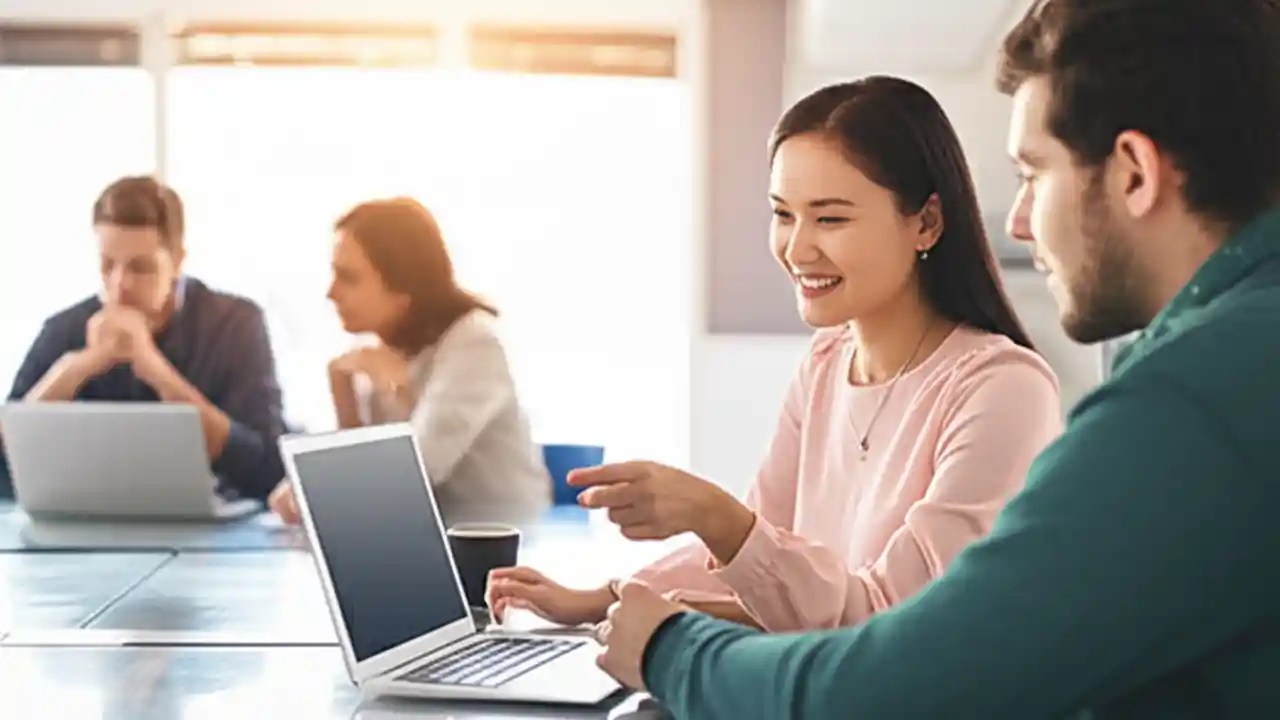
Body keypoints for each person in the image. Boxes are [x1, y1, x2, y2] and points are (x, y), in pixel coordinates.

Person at [595, 1, 1280, 717]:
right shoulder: (1231, 358)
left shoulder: (1189, 402)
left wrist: (670, 647)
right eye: (784, 213)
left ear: (1135, 173)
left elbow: (891, 689)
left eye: (1033, 174)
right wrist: (620, 601)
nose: (1017, 221)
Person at [488, 77, 1061, 633]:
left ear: (927, 222)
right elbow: (758, 564)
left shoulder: (1002, 389)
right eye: (783, 214)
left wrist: (715, 516)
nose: (796, 247)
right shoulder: (827, 362)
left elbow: (896, 622)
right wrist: (606, 597)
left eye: (830, 218)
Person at [0, 176, 286, 502]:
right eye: (107, 265)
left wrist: (154, 369)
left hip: (220, 533)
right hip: (85, 523)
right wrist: (72, 371)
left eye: (141, 268)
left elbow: (266, 468)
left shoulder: (235, 323)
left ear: (177, 260)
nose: (120, 285)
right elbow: (6, 466)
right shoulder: (64, 329)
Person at [268, 198, 550, 525]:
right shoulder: (374, 349)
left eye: (348, 277)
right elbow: (334, 482)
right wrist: (343, 402)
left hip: (497, 542)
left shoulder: (475, 344)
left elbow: (416, 472)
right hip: (416, 535)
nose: (331, 293)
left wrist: (401, 390)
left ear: (404, 286)